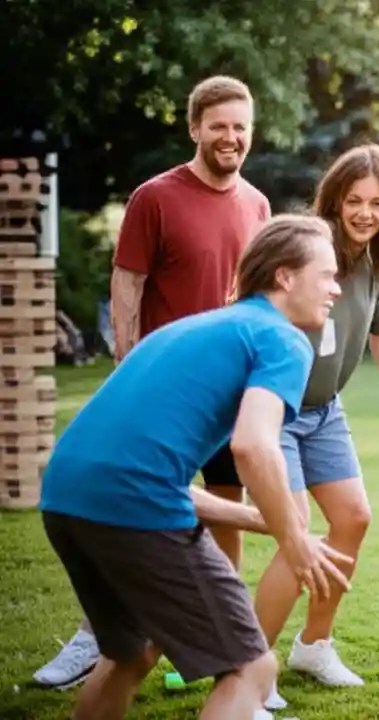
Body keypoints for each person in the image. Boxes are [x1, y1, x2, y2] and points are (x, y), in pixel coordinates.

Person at [37, 215, 351, 720]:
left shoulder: (202, 325)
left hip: (65, 495)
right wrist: (294, 541)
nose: (336, 289)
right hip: (135, 506)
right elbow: (253, 445)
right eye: (327, 275)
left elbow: (136, 468)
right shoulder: (283, 339)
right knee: (252, 668)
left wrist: (259, 520)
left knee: (130, 653)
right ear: (284, 277)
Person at [35, 74, 271, 689]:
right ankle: (97, 638)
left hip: (228, 392)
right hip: (162, 395)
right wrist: (126, 367)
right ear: (194, 128)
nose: (230, 137)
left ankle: (228, 647)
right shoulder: (155, 197)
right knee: (133, 512)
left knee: (228, 508)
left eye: (240, 126)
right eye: (218, 125)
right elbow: (127, 285)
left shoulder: (257, 205)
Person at [250, 144, 379, 710]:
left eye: (378, 204)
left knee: (353, 519)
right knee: (295, 537)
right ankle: (250, 671)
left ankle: (314, 645)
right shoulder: (305, 251)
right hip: (276, 411)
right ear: (334, 201)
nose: (366, 213)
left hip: (325, 413)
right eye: (355, 201)